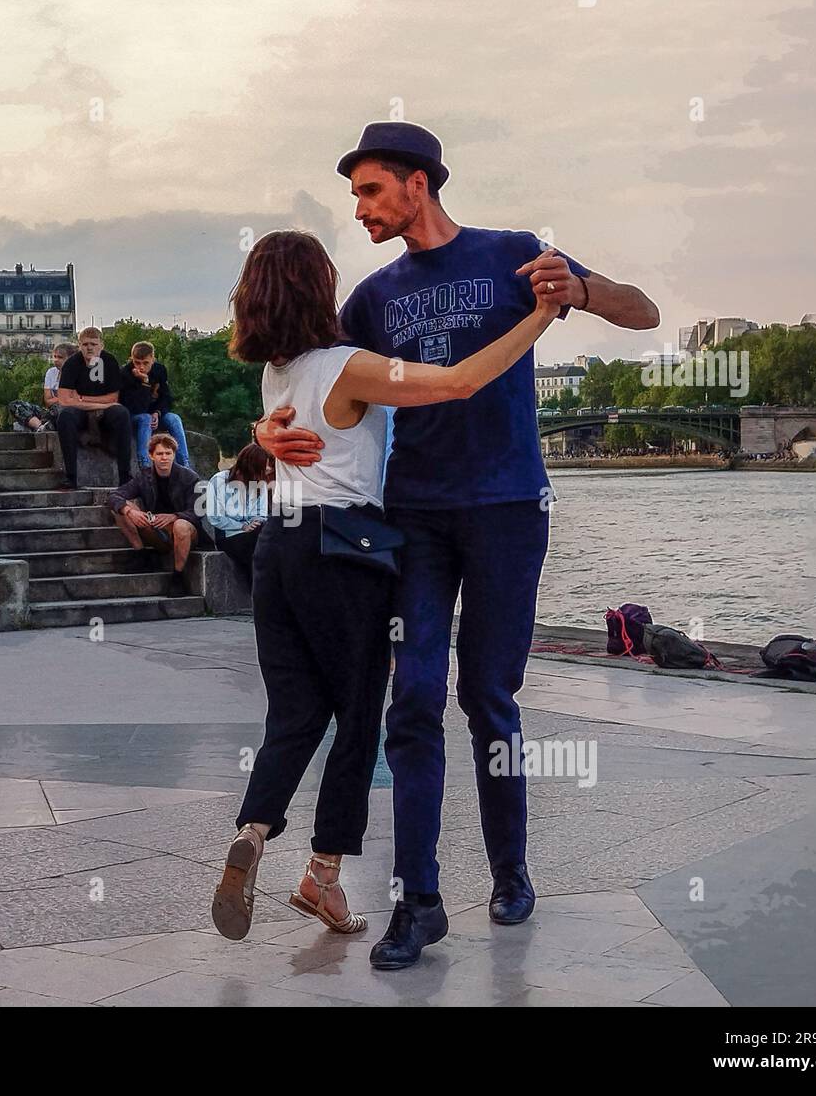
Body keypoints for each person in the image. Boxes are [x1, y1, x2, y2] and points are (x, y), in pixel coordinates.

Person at [256, 123, 660, 968]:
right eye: (355, 195)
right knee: (413, 702)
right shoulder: (370, 300)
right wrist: (261, 432)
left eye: (370, 190)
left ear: (417, 184)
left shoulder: (512, 254)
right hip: (417, 516)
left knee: (489, 696)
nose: (360, 208)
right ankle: (420, 902)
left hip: (511, 506)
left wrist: (580, 288)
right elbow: (300, 374)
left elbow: (643, 310)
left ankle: (512, 871)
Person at [211, 228, 559, 946]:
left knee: (296, 713)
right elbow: (459, 382)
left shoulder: (276, 376)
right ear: (320, 289)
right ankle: (324, 870)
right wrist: (539, 316)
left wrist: (258, 431)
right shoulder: (350, 367)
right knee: (363, 715)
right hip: (345, 542)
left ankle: (253, 828)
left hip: (275, 547)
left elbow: (282, 431)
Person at [107, 433, 202, 595]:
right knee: (120, 508)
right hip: (154, 528)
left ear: (174, 454)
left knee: (180, 525)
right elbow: (114, 496)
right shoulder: (144, 476)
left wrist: (174, 516)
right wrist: (130, 511)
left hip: (183, 530)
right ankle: (141, 554)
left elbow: (198, 512)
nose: (164, 458)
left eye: (168, 453)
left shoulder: (190, 477)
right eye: (159, 454)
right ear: (151, 456)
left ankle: (178, 576)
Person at [55, 327, 132, 489]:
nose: (89, 348)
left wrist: (82, 399)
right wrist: (99, 404)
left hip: (103, 410)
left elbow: (113, 398)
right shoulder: (71, 364)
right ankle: (71, 477)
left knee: (122, 414)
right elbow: (64, 400)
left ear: (101, 345)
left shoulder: (109, 361)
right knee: (65, 417)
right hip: (81, 411)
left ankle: (125, 478)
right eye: (85, 344)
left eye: (93, 344)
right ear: (79, 345)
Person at [203, 443, 273, 590]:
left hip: (253, 531)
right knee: (256, 545)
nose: (267, 470)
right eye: (263, 467)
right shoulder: (219, 480)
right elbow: (215, 517)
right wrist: (242, 526)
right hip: (228, 534)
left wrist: (255, 523)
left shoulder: (260, 484)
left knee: (270, 533)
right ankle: (257, 589)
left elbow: (261, 514)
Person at [122, 341, 191, 469]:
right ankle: (145, 467)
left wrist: (158, 412)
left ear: (153, 359)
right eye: (137, 363)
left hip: (155, 413)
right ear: (132, 359)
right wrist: (145, 383)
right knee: (145, 419)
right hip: (135, 415)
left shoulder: (160, 370)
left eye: (146, 363)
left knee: (174, 418)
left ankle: (185, 466)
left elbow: (166, 397)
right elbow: (137, 407)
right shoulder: (126, 374)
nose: (141, 367)